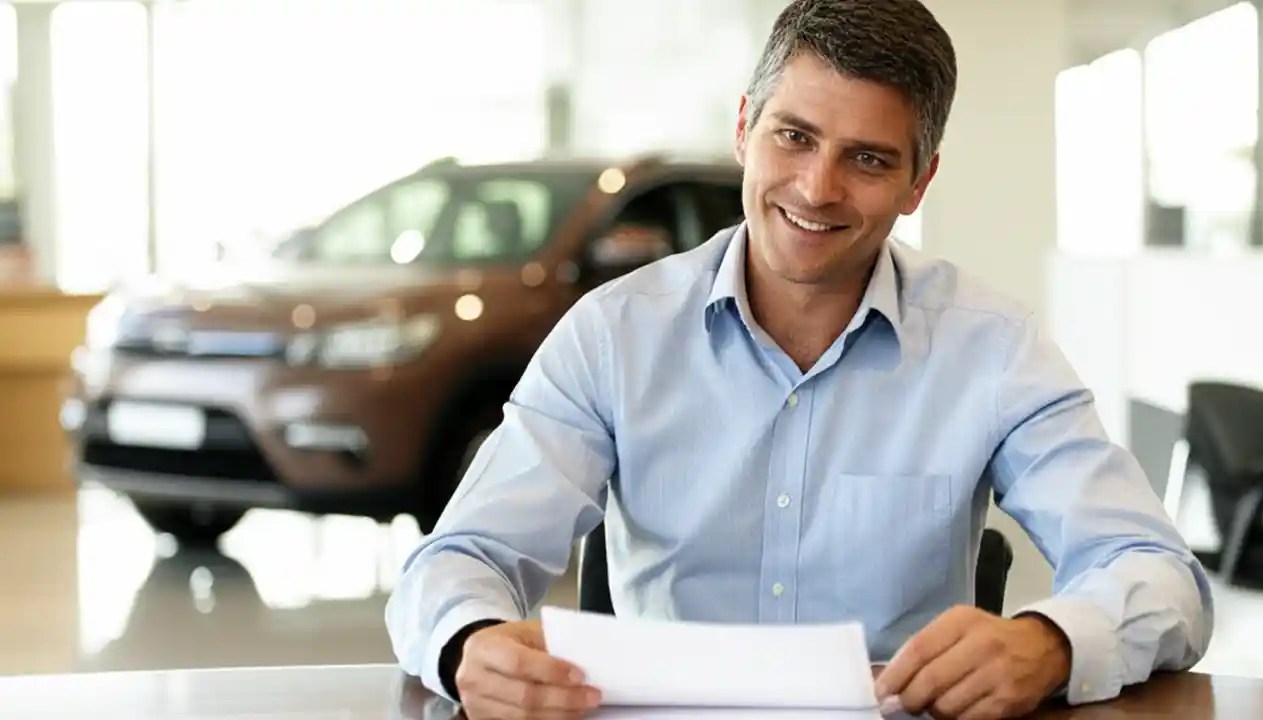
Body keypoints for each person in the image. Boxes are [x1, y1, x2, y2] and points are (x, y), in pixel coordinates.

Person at [386, 1, 1214, 718]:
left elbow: (1158, 574)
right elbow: (462, 557)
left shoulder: (992, 346)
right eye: (795, 136)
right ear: (745, 127)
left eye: (869, 158)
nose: (817, 188)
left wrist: (1050, 645)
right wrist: (467, 644)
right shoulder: (614, 334)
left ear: (919, 182)